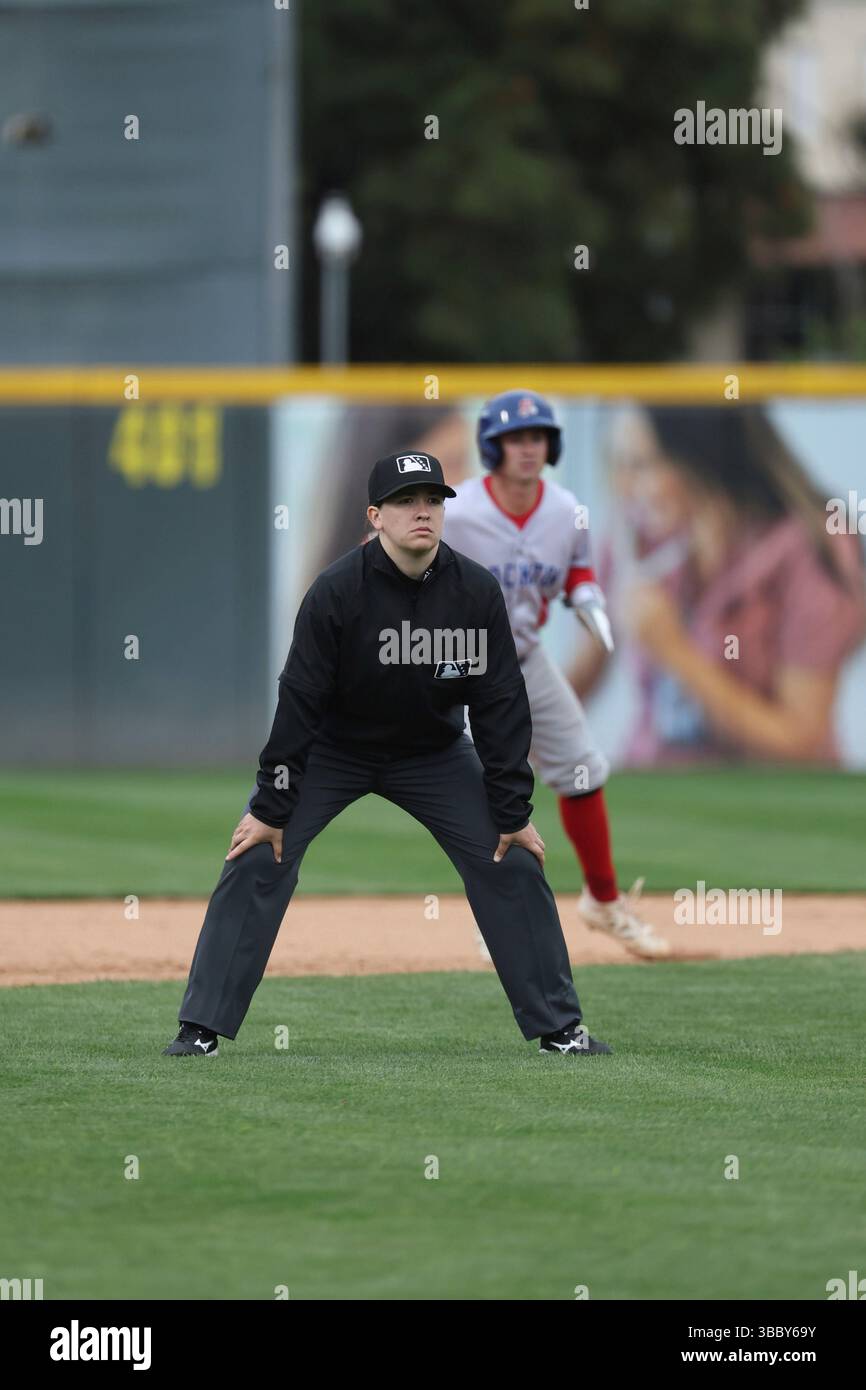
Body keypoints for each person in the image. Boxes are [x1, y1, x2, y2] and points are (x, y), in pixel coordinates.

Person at [163, 452, 611, 1059]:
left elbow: (502, 706)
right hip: (335, 749)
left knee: (513, 858)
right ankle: (201, 1027)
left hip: (434, 753)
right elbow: (297, 704)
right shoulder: (336, 592)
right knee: (257, 854)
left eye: (432, 499)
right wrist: (272, 805)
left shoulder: (476, 592)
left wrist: (512, 810)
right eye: (405, 501)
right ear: (376, 515)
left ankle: (560, 1029)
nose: (421, 511)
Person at [442, 390, 669, 961]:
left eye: (537, 437)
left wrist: (589, 598)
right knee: (480, 787)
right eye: (516, 438)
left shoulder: (566, 510)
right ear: (492, 446)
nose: (527, 447)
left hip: (524, 658)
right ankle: (493, 915)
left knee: (584, 770)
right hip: (456, 663)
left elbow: (578, 574)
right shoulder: (461, 511)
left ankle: (604, 901)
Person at [584, 405, 866, 765]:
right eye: (618, 463)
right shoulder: (637, 535)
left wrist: (676, 652)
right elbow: (583, 669)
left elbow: (802, 742)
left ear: (703, 460)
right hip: (655, 778)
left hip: (770, 791)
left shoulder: (810, 545)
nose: (624, 490)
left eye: (645, 464)